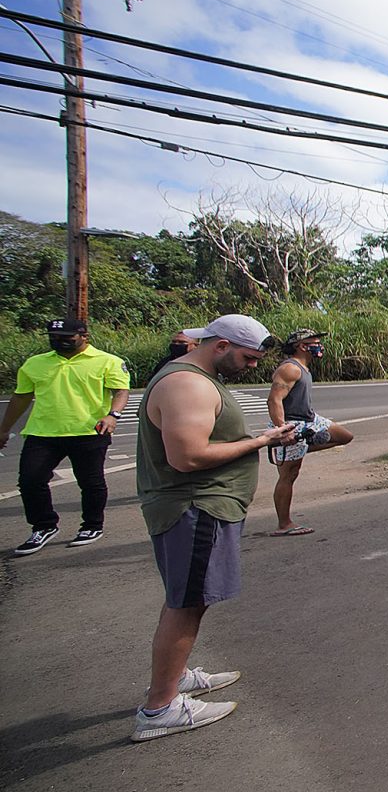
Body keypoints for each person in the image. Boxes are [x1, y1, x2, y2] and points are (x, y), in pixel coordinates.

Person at [132, 314, 298, 741]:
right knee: (187, 602)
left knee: (190, 599)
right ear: (220, 345)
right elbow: (187, 456)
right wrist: (263, 441)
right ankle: (160, 708)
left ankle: (175, 678)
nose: (252, 366)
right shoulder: (188, 383)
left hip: (202, 508)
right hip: (195, 508)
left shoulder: (196, 377)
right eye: (247, 357)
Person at [1, 317, 131, 555]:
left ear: (84, 336)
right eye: (53, 338)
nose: (59, 342)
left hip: (90, 431)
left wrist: (113, 415)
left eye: (66, 338)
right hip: (43, 432)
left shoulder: (107, 361)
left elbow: (121, 391)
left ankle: (92, 525)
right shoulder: (35, 363)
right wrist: (4, 429)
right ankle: (44, 525)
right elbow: (20, 398)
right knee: (30, 480)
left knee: (90, 482)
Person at [265, 328, 355, 536]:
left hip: (310, 420)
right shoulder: (291, 369)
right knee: (289, 474)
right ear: (302, 346)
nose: (319, 345)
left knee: (344, 436)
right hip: (292, 423)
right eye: (314, 342)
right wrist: (283, 430)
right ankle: (284, 524)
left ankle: (302, 446)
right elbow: (274, 399)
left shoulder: (303, 368)